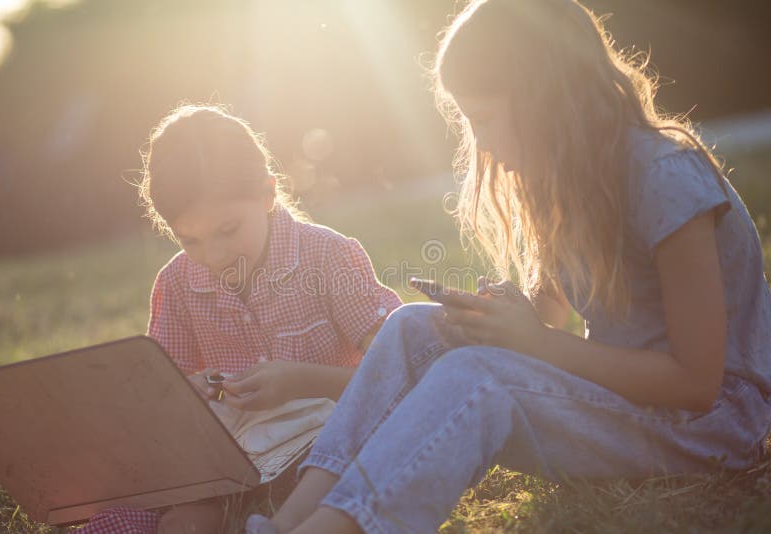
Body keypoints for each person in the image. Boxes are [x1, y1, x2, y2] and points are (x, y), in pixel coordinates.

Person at [246, 1, 771, 532]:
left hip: (708, 427)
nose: (483, 144)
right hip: (625, 401)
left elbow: (696, 382)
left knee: (476, 376)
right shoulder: (562, 181)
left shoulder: (664, 176)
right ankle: (286, 521)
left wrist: (531, 342)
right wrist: (500, 321)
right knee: (411, 328)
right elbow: (548, 320)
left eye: (484, 119)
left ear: (545, 99)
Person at [78, 104, 402, 533]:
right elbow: (159, 402)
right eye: (189, 240)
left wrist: (301, 380)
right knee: (169, 518)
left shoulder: (328, 258)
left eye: (228, 230)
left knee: (347, 477)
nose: (212, 258)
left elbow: (401, 373)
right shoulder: (177, 284)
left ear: (267, 194)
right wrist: (187, 394)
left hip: (325, 450)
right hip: (226, 467)